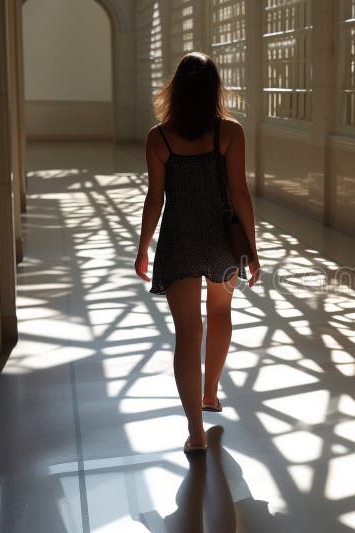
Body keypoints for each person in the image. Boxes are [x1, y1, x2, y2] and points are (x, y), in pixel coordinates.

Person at [134, 52, 261, 454]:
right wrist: (252, 250)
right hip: (222, 241)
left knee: (187, 333)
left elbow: (155, 199)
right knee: (221, 313)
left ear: (176, 90)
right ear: (213, 90)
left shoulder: (160, 138)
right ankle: (210, 392)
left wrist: (143, 249)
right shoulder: (231, 133)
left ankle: (195, 431)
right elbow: (240, 193)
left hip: (178, 242)